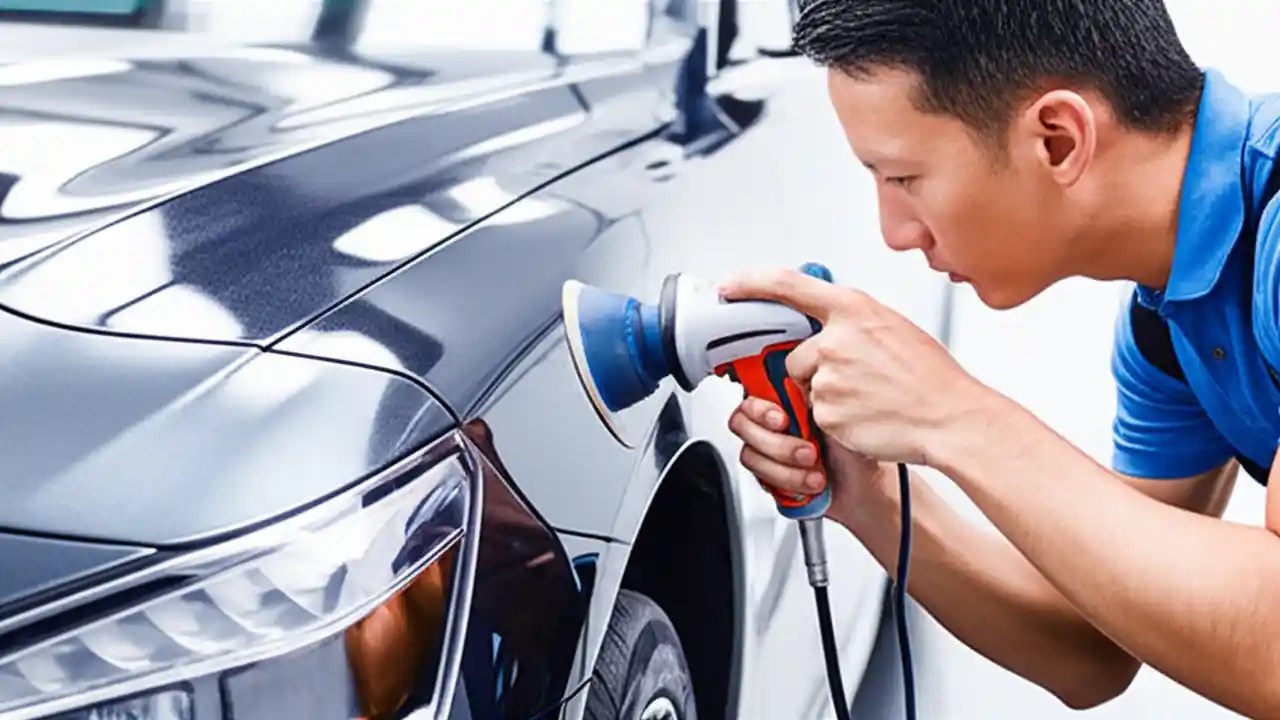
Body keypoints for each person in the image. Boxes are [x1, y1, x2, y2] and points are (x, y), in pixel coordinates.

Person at [719, 1, 1280, 717]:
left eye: (902, 178)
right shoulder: (1166, 323)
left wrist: (952, 415)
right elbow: (1093, 647)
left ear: (1056, 138)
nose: (893, 232)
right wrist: (876, 499)